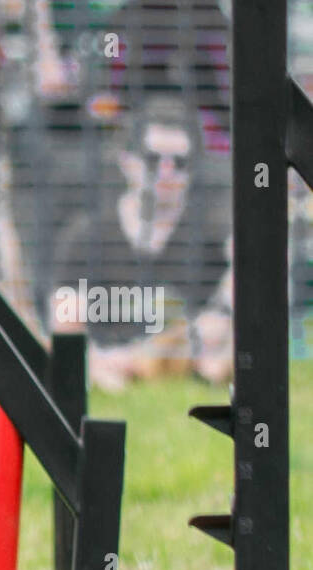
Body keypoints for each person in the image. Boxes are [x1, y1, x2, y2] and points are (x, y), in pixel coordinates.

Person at [48, 96, 231, 390]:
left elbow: (236, 318)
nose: (166, 171)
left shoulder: (213, 233)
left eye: (180, 162)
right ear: (127, 162)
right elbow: (65, 331)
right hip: (105, 366)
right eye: (153, 159)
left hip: (186, 365)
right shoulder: (87, 235)